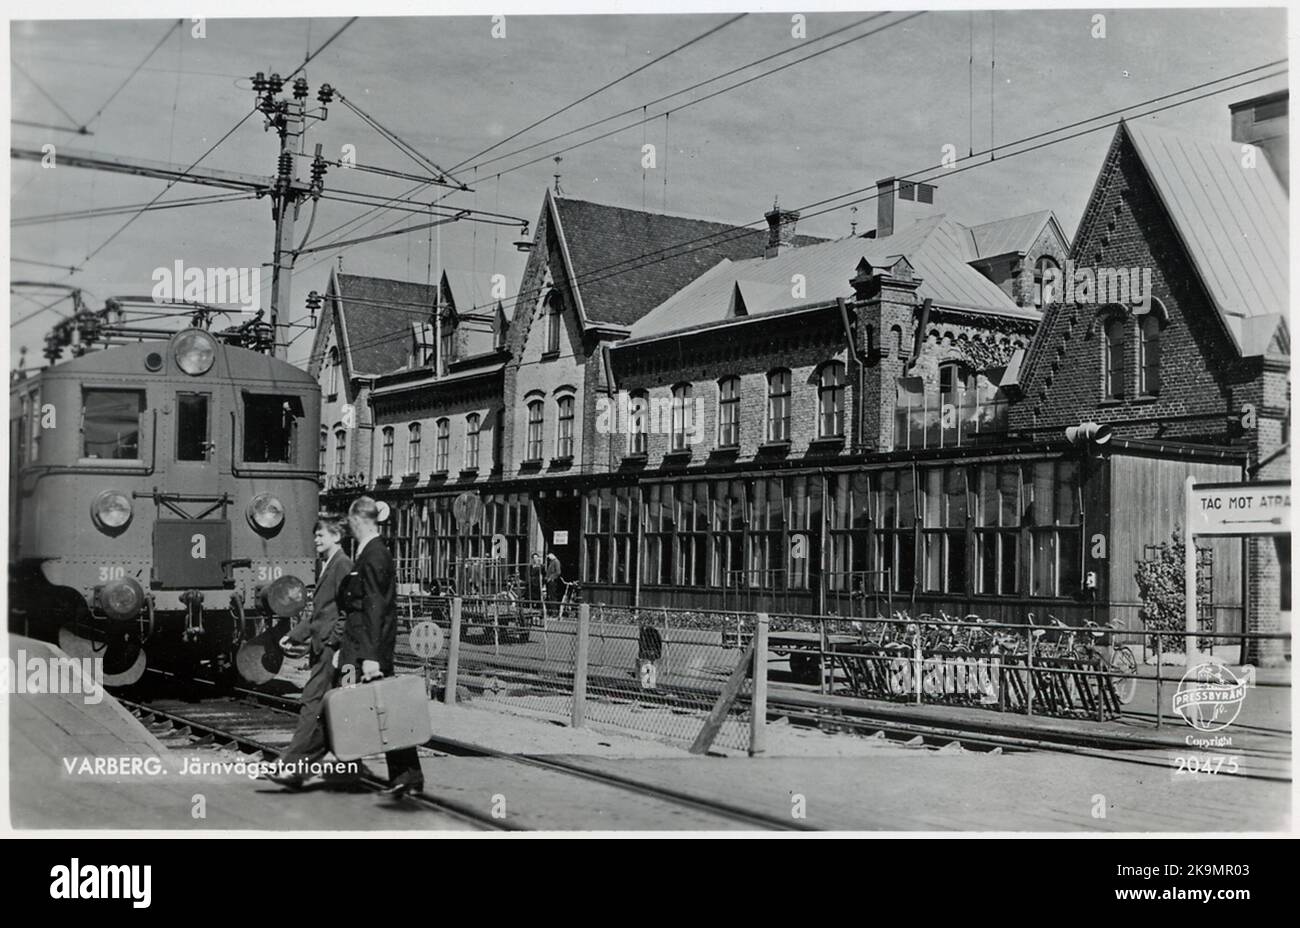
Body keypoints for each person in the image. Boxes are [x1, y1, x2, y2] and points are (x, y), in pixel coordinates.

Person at [339, 496, 424, 797]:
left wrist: (372, 658)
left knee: (370, 707)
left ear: (359, 520)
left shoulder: (374, 555)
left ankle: (405, 775)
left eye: (349, 521)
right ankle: (395, 774)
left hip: (365, 652)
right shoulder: (370, 552)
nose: (348, 527)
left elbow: (376, 606)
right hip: (357, 648)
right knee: (354, 704)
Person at [269, 517, 352, 790]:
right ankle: (309, 767)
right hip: (321, 646)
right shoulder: (327, 564)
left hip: (329, 649)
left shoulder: (342, 565)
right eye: (315, 535)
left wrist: (335, 643)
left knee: (310, 703)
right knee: (323, 708)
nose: (316, 540)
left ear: (337, 537)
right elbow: (320, 614)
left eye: (321, 535)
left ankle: (290, 764)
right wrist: (293, 635)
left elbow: (347, 611)